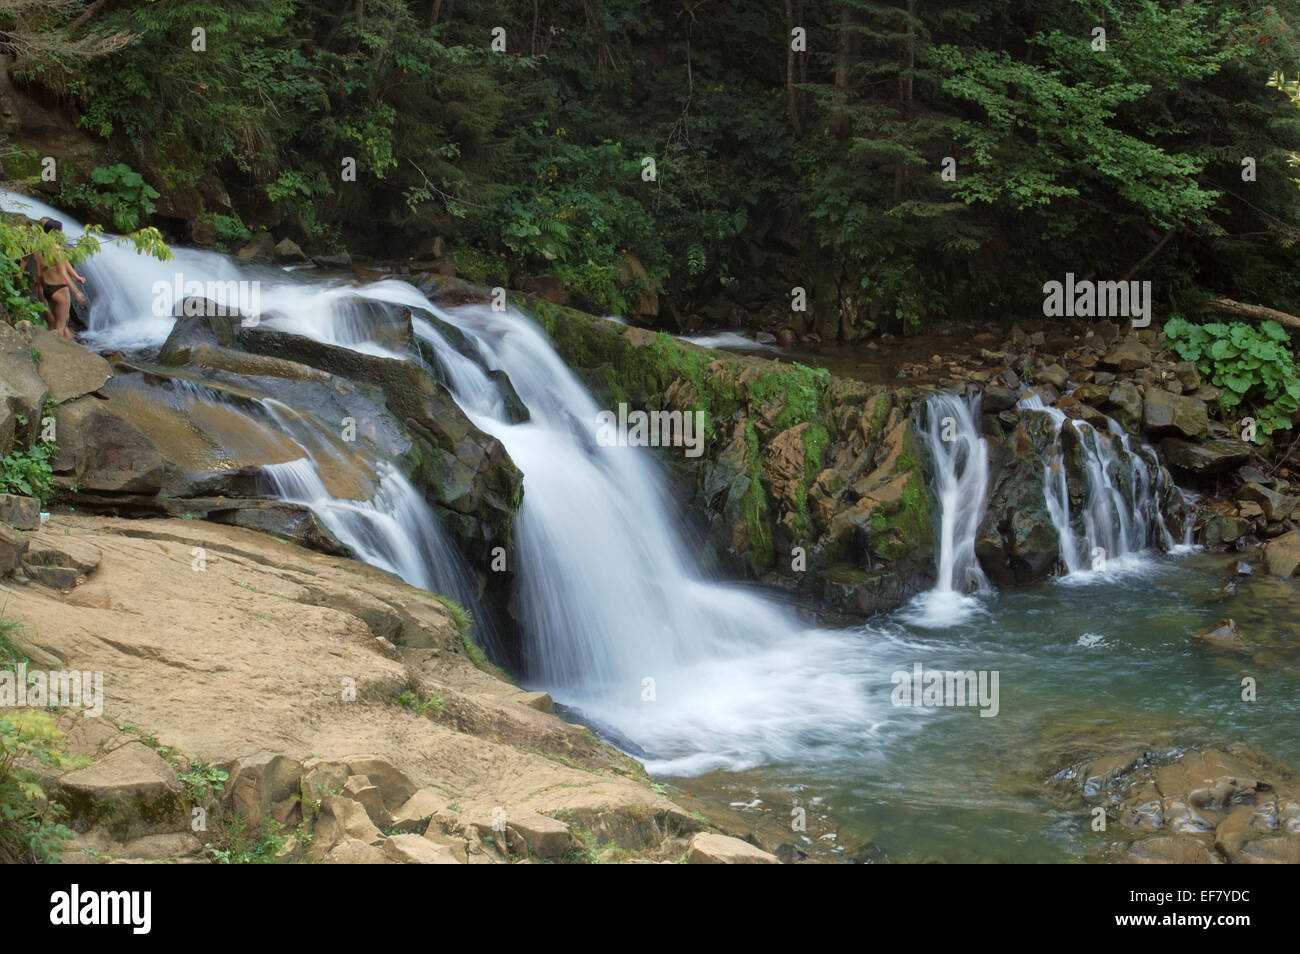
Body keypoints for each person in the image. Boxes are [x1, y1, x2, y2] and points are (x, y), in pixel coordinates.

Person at [32, 217, 86, 340]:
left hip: (46, 288)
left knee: (53, 325)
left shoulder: (38, 248)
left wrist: (76, 277)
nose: (62, 234)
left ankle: (51, 349)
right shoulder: (57, 249)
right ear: (55, 232)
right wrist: (76, 292)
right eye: (61, 231)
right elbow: (62, 273)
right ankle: (56, 355)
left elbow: (39, 273)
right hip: (60, 289)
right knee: (61, 326)